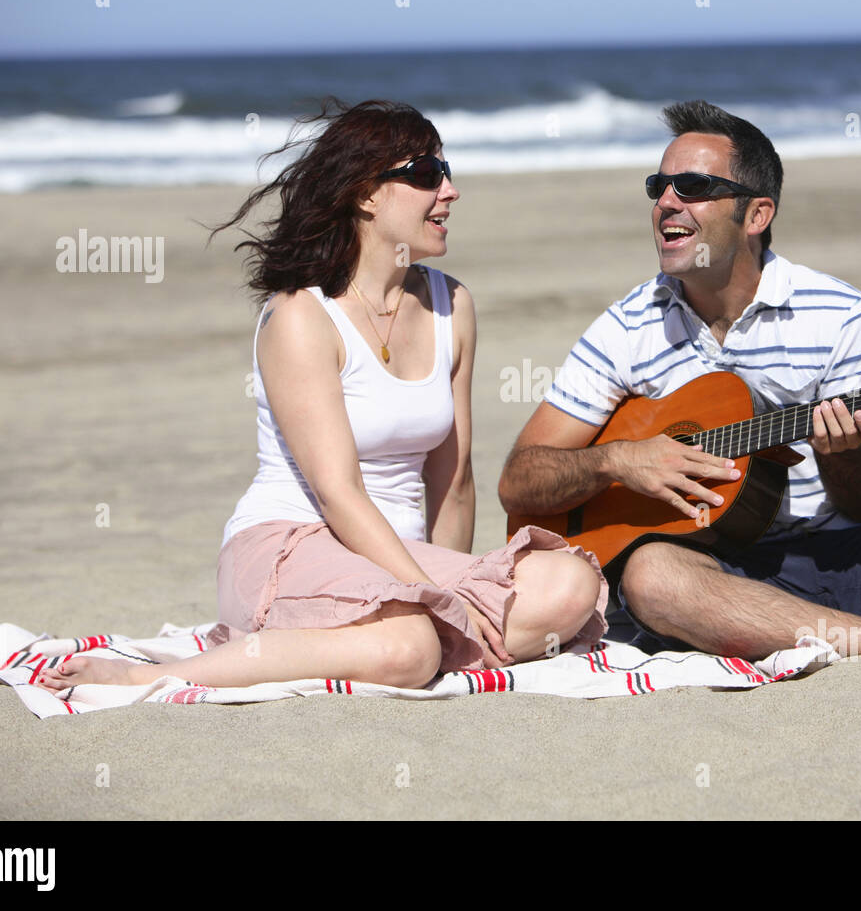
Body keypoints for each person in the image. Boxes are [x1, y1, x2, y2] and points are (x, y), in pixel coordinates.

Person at [40, 98, 607, 694]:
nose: (450, 191)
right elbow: (338, 494)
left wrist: (458, 595)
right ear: (365, 194)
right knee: (409, 646)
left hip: (399, 554)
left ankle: (411, 641)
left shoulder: (452, 305)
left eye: (446, 171)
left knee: (569, 585)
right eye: (425, 174)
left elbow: (454, 480)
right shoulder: (301, 315)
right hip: (292, 542)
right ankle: (148, 675)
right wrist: (438, 601)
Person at [497, 99, 861, 713]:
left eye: (693, 187)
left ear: (757, 214)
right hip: (715, 572)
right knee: (649, 577)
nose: (666, 202)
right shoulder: (627, 326)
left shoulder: (839, 313)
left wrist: (842, 455)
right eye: (658, 186)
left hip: (846, 549)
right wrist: (618, 460)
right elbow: (519, 482)